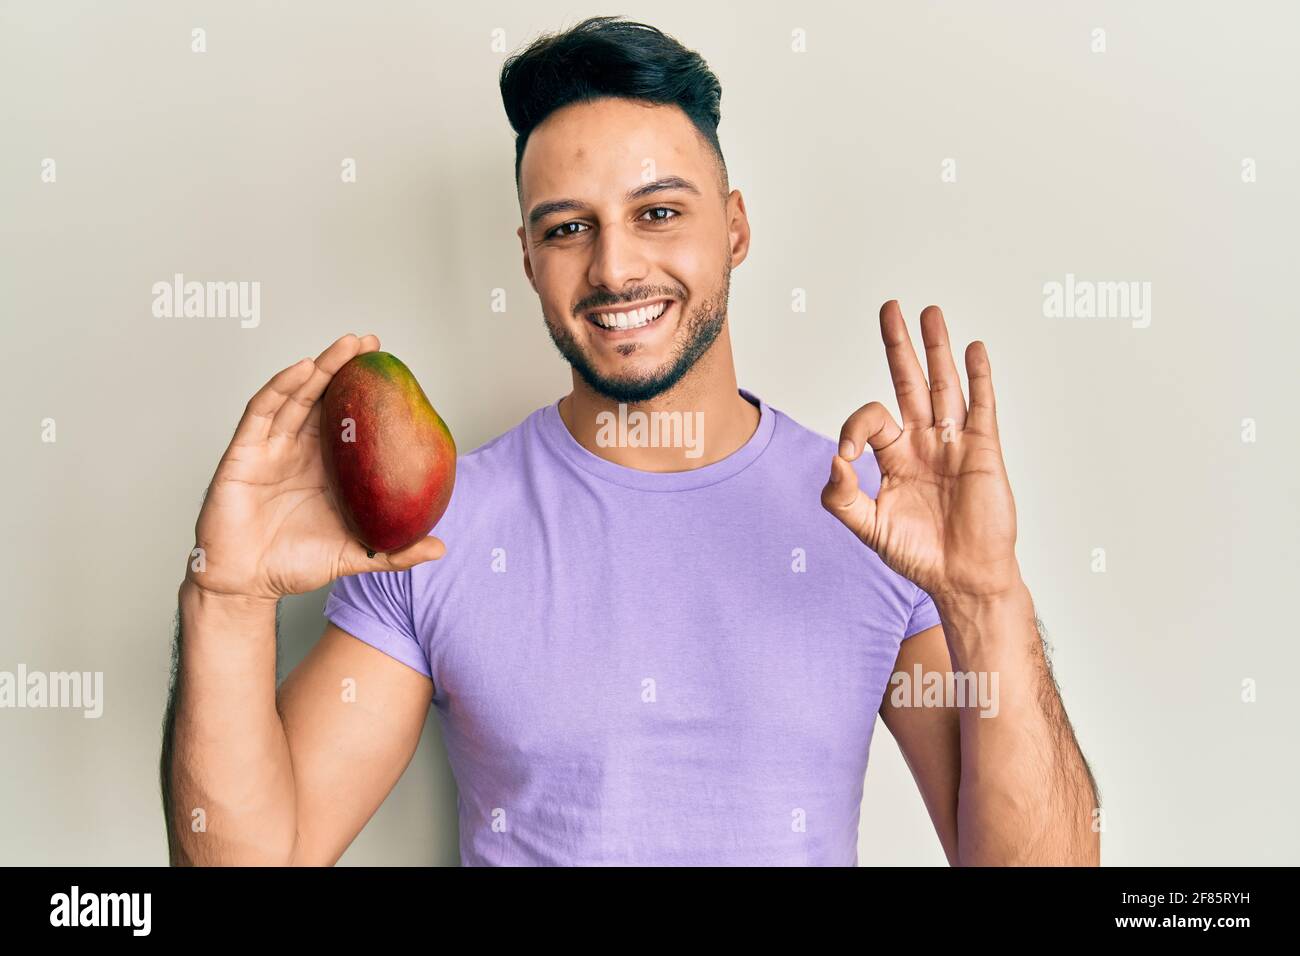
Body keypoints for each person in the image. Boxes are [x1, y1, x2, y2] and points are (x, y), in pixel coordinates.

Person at [161, 16, 1099, 866]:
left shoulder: (875, 517)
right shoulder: (440, 531)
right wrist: (227, 595)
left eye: (659, 212)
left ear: (733, 228)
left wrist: (985, 597)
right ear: (527, 258)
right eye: (569, 229)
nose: (614, 268)